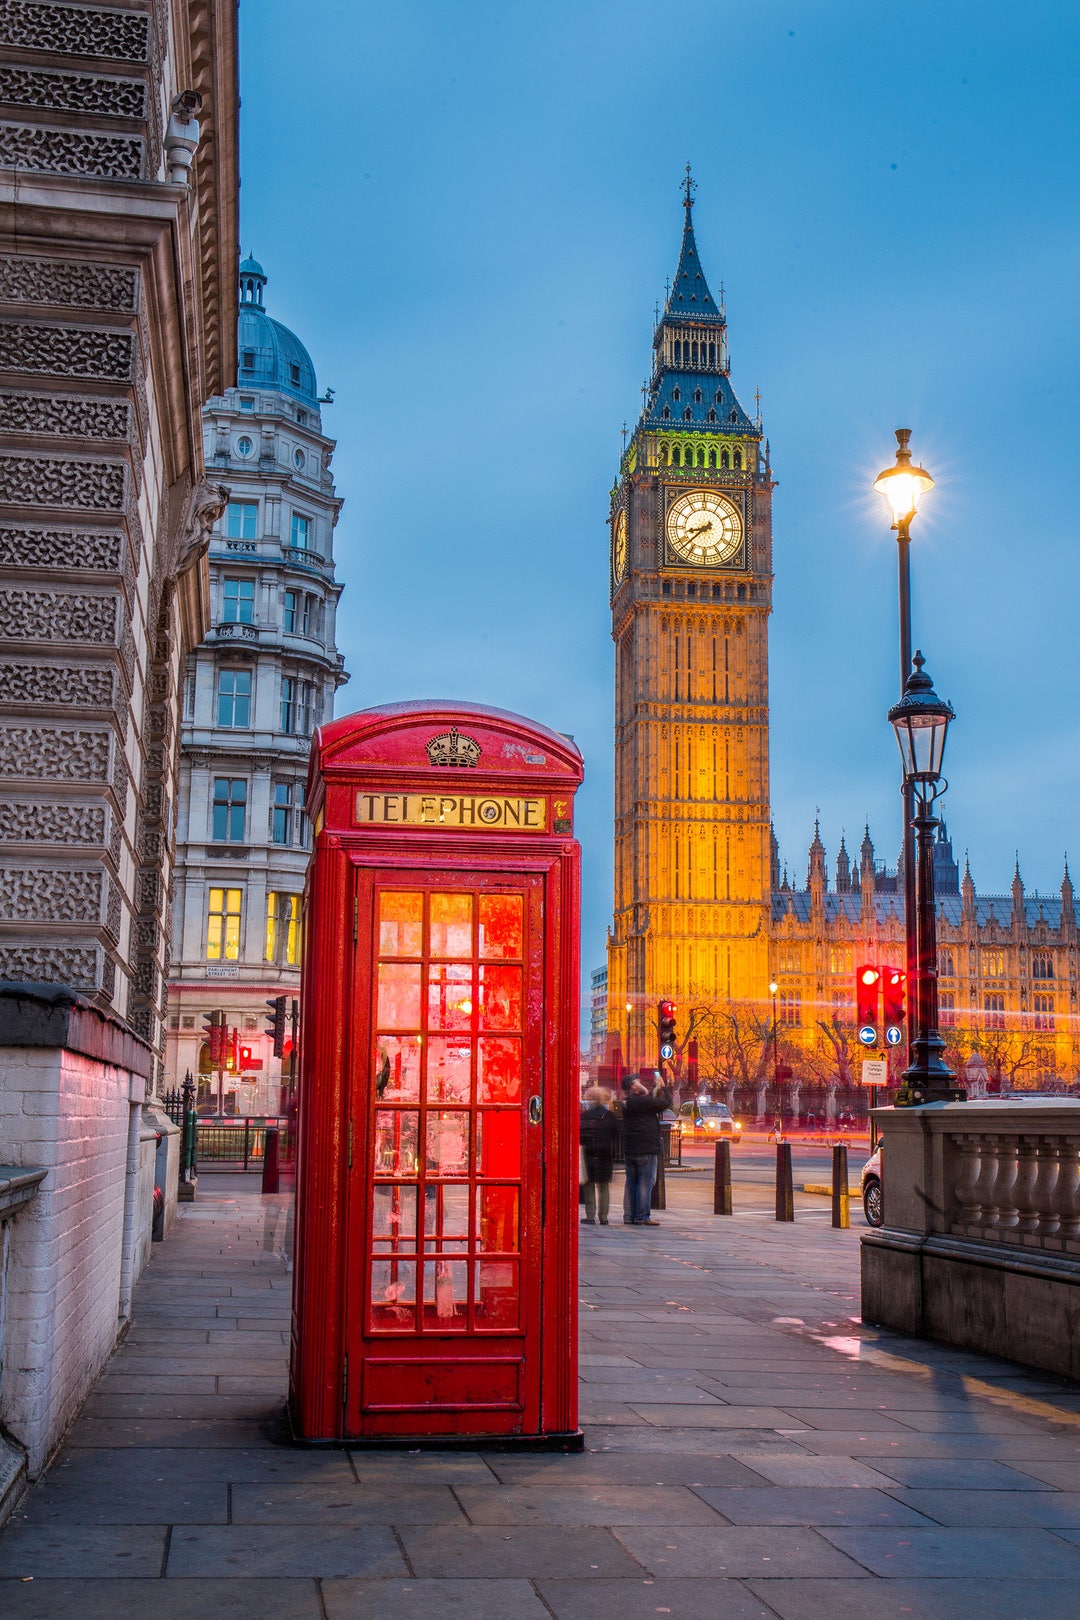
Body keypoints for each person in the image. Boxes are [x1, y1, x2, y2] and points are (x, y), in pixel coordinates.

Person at [621, 1072, 672, 1226]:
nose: (642, 1083)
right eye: (638, 1081)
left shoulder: (629, 1103)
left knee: (631, 1182)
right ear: (634, 1087)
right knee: (646, 1182)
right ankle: (642, 1216)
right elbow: (665, 1103)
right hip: (646, 1147)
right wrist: (663, 1087)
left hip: (631, 1148)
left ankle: (629, 1216)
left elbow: (652, 1101)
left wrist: (653, 1092)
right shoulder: (642, 1102)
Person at [579, 1086, 616, 1225]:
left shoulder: (586, 1116)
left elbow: (580, 1135)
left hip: (589, 1153)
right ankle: (604, 1217)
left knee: (589, 1186)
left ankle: (590, 1216)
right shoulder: (609, 1116)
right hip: (605, 1155)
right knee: (604, 1187)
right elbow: (615, 1135)